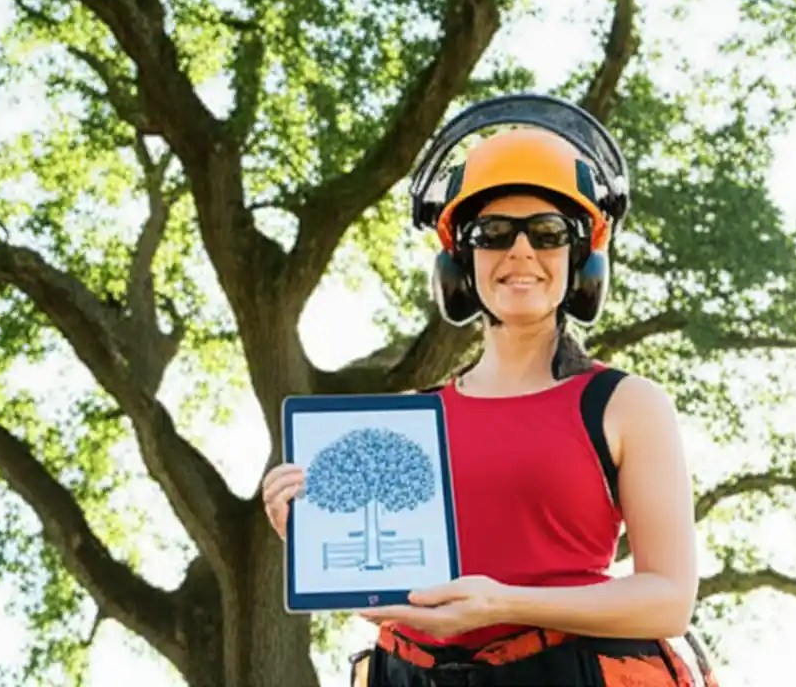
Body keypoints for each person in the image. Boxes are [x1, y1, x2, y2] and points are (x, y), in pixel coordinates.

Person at [261, 95, 720, 686]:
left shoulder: (625, 404)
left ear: (582, 263)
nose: (521, 252)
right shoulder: (410, 419)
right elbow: (391, 594)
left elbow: (667, 600)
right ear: (460, 266)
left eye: (549, 232)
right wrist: (315, 539)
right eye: (494, 233)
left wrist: (505, 604)